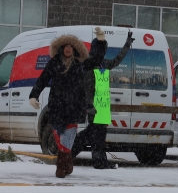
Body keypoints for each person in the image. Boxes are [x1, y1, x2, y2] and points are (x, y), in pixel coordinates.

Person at [29, 32, 116, 178]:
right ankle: (67, 163)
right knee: (59, 137)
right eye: (65, 47)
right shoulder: (54, 63)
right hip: (57, 107)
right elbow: (43, 79)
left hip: (73, 107)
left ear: (74, 49)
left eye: (70, 47)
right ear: (62, 48)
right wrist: (33, 95)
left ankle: (61, 168)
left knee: (67, 139)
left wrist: (100, 42)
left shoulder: (79, 64)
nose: (68, 49)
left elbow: (97, 60)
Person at [80, 27, 134, 169]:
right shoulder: (89, 65)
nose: (103, 52)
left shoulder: (103, 64)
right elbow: (87, 87)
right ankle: (95, 160)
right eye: (101, 49)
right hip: (94, 106)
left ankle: (100, 160)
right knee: (93, 134)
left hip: (103, 106)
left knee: (99, 135)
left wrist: (127, 45)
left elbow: (117, 60)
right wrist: (89, 105)